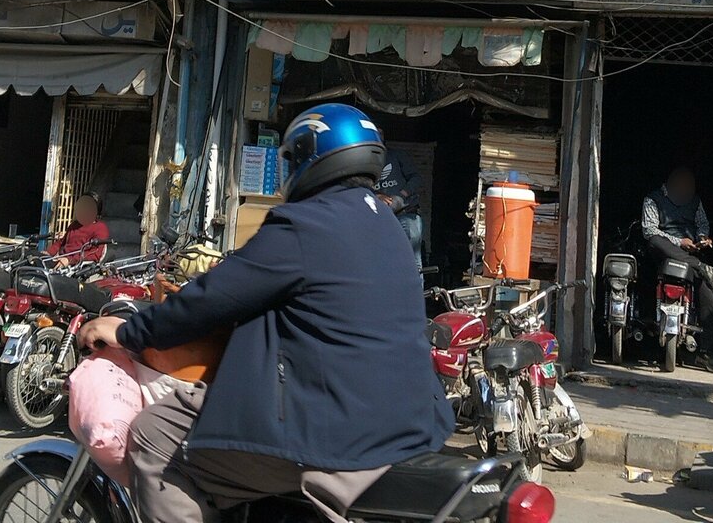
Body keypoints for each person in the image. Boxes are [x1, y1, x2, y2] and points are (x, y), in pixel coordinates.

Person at [79, 104, 453, 523]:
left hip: (336, 430)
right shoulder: (384, 222)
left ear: (308, 155)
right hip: (409, 419)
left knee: (154, 433)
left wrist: (131, 331)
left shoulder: (304, 224)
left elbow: (213, 298)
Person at [642, 168, 713, 372]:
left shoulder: (694, 201)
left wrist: (702, 238)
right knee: (654, 240)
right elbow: (649, 229)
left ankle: (704, 353)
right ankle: (699, 267)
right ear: (670, 183)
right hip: (665, 251)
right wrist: (679, 242)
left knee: (708, 297)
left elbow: (702, 223)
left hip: (690, 252)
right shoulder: (653, 199)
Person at [373, 137, 424, 272]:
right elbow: (357, 186)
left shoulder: (396, 155)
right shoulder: (364, 161)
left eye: (381, 133)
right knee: (382, 260)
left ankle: (415, 293)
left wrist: (402, 195)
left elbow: (416, 178)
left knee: (413, 262)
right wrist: (376, 195)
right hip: (380, 219)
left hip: (406, 214)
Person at [48, 192, 109, 267]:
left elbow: (95, 254)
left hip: (77, 266)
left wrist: (69, 260)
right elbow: (61, 243)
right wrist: (48, 253)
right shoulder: (74, 225)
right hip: (60, 259)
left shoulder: (100, 228)